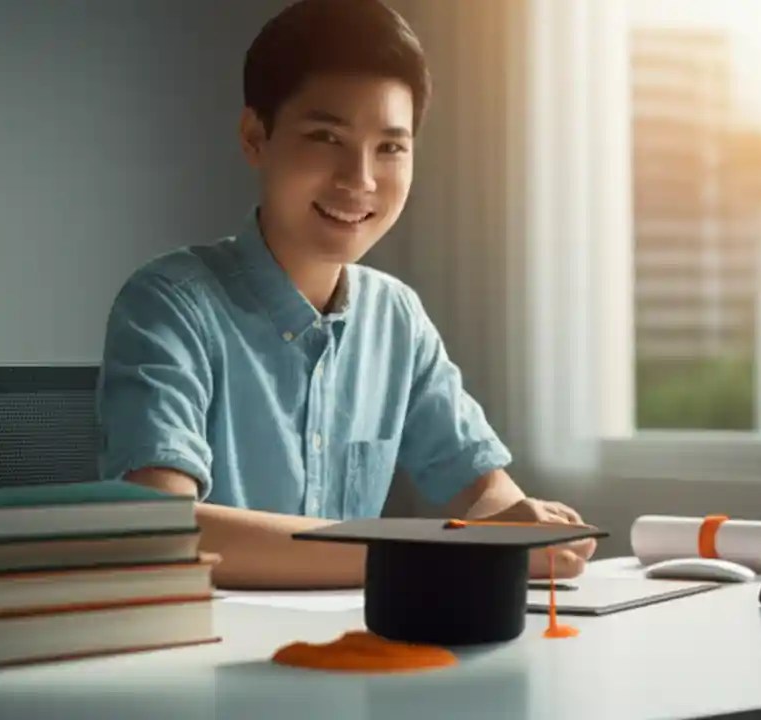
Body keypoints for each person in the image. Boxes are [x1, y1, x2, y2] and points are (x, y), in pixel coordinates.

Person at [97, 0, 596, 588]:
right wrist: (434, 553)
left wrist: (520, 527)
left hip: (353, 655)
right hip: (209, 657)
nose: (359, 179)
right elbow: (163, 530)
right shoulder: (171, 303)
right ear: (256, 137)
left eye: (390, 147)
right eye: (326, 136)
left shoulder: (396, 318)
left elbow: (484, 492)